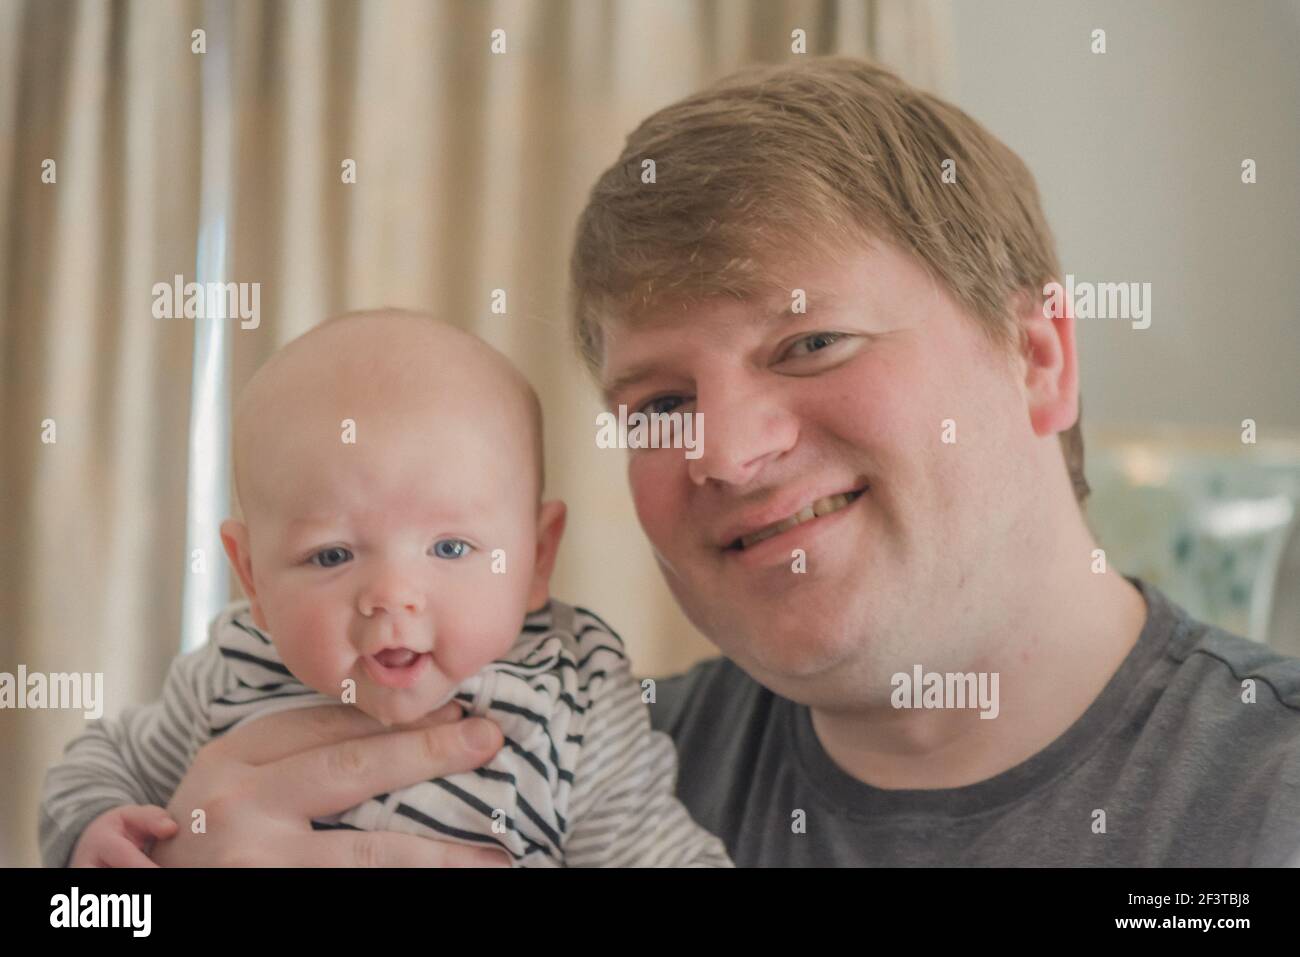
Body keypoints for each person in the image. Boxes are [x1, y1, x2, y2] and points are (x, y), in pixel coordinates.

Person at [44, 56, 1300, 868]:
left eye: (810, 341)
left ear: (1036, 357)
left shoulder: (1264, 796)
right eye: (654, 399)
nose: (728, 452)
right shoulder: (590, 742)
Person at [39, 310, 731, 868]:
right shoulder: (234, 667)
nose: (393, 597)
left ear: (536, 556)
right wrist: (92, 831)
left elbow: (654, 850)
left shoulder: (574, 689)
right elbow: (105, 759)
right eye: (332, 553)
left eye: (451, 548)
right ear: (250, 573)